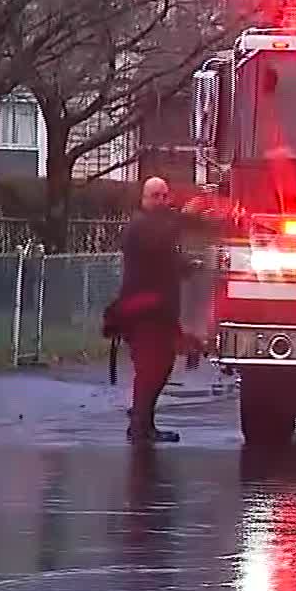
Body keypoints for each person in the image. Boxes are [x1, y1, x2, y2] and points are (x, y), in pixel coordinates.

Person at [110, 177, 195, 444]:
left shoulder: (159, 227)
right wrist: (184, 218)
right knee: (150, 369)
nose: (161, 200)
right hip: (144, 312)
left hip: (162, 311)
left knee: (161, 367)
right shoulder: (140, 226)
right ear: (144, 199)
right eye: (155, 195)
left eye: (164, 195)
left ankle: (146, 424)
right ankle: (138, 427)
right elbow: (156, 244)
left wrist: (188, 265)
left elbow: (165, 259)